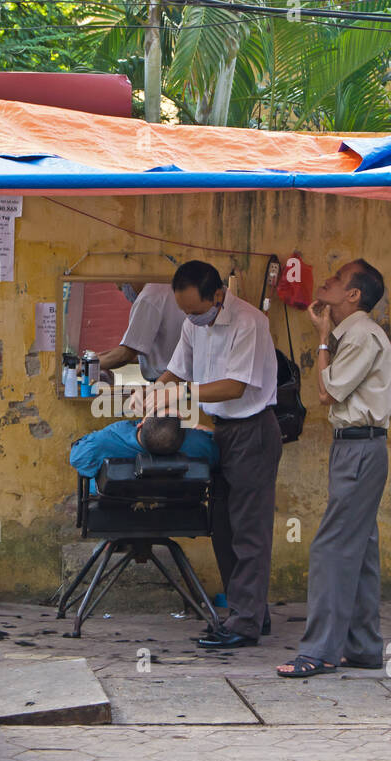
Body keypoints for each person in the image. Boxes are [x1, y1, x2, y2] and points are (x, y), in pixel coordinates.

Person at [150, 260, 280, 649]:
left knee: (249, 530)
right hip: (220, 433)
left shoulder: (249, 322)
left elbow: (234, 387)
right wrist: (155, 393)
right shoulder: (194, 323)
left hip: (253, 431)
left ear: (218, 295)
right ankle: (249, 613)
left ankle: (244, 623)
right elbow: (175, 371)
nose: (192, 318)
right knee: (223, 527)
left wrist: (181, 394)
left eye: (196, 309)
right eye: (185, 311)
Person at [277, 258, 391, 677]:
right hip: (357, 448)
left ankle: (319, 652)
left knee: (329, 549)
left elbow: (328, 393)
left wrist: (322, 339)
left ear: (353, 296)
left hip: (360, 450)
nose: (326, 281)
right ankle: (363, 647)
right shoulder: (358, 334)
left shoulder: (361, 334)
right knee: (360, 549)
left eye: (337, 279)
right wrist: (327, 337)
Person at [69, 414, 219, 491]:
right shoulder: (199, 444)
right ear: (183, 432)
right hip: (176, 510)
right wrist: (197, 429)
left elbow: (78, 458)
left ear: (140, 425)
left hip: (116, 507)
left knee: (92, 477)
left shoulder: (110, 438)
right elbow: (217, 454)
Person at [96, 282, 188, 382]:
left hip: (169, 381)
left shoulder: (149, 296)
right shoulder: (165, 288)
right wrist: (101, 357)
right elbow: (145, 352)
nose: (119, 289)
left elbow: (125, 354)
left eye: (121, 285)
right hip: (179, 380)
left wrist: (87, 365)